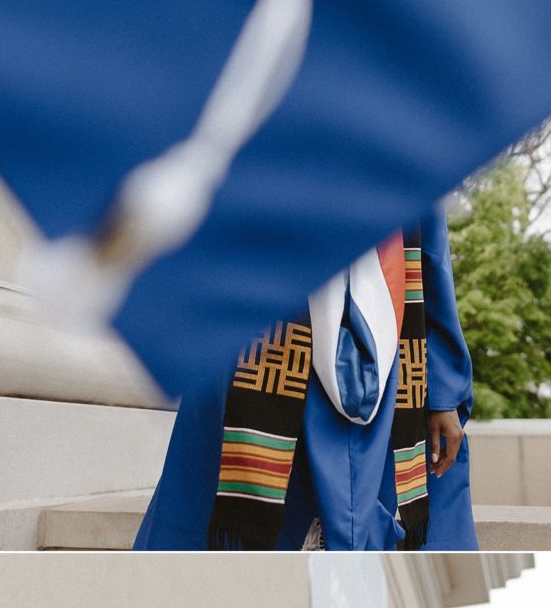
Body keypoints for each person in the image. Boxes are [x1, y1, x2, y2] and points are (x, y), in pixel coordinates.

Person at [134, 214, 477, 550]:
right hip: (255, 346)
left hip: (389, 353)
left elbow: (431, 253)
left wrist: (444, 392)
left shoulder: (402, 159)